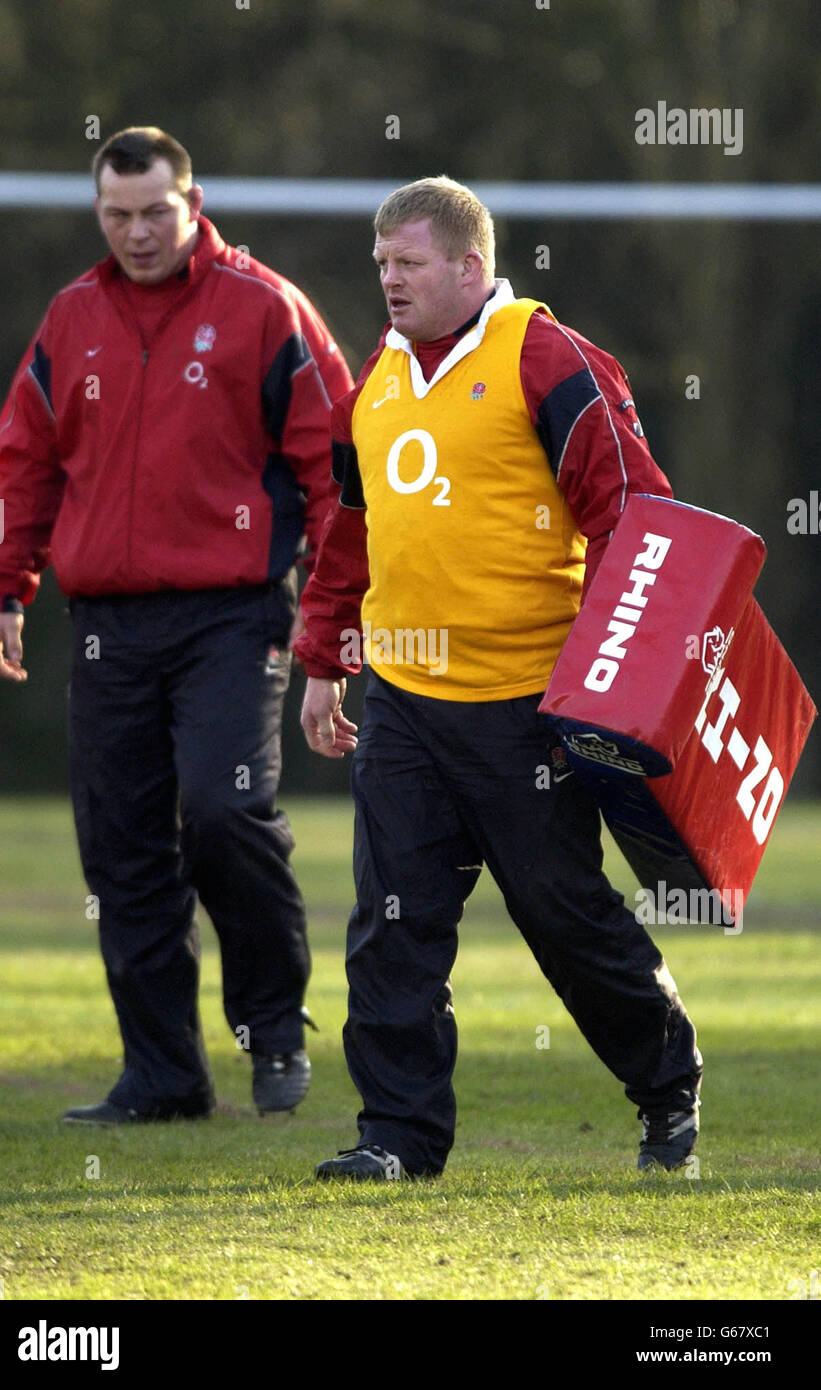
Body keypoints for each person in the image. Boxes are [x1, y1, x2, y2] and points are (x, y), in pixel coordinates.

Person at [295, 176, 703, 1180]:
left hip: (527, 709)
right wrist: (320, 657)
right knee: (391, 925)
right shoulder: (374, 387)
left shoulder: (546, 356)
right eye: (381, 264)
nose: (389, 281)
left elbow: (634, 517)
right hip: (402, 702)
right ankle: (395, 1139)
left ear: (470, 267)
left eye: (410, 264)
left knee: (563, 915)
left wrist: (612, 672)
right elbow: (348, 535)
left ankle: (666, 1088)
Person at [0, 126, 353, 1125]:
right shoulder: (71, 317)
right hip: (105, 625)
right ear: (98, 211)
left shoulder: (266, 310)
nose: (136, 233)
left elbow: (336, 475)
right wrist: (2, 587)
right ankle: (164, 1074)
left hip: (232, 615)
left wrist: (331, 622)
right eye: (116, 214)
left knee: (224, 813)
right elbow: (20, 460)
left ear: (193, 202)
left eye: (153, 212)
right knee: (122, 846)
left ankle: (272, 1029)